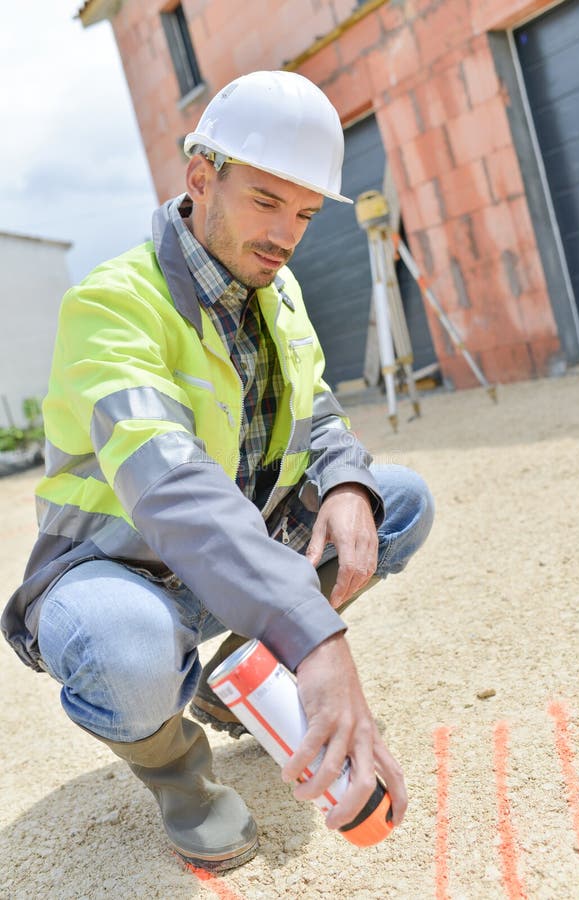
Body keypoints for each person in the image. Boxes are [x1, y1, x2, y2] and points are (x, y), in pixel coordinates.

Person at [1, 70, 434, 872]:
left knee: (394, 502)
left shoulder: (275, 286)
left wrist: (342, 480)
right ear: (201, 179)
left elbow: (319, 406)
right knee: (124, 651)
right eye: (266, 201)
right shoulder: (112, 306)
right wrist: (315, 641)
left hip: (227, 563)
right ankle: (177, 771)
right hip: (122, 571)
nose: (286, 234)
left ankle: (219, 679)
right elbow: (170, 487)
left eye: (304, 214)